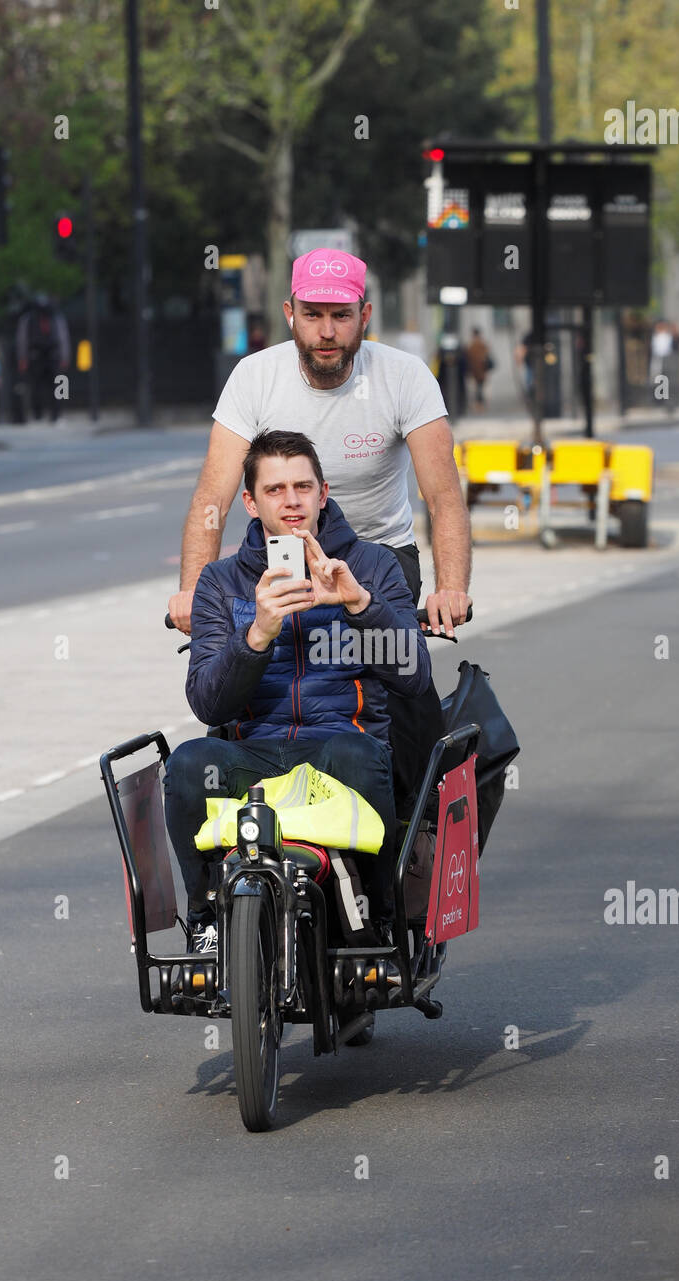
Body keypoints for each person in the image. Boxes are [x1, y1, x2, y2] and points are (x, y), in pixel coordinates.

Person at [163, 428, 430, 954]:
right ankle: (206, 919)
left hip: (340, 748)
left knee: (358, 754)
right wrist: (257, 633)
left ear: (323, 493)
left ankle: (376, 918)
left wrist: (360, 606)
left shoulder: (374, 565)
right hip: (254, 753)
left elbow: (414, 677)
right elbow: (208, 703)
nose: (291, 501)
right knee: (190, 763)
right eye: (275, 489)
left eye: (303, 487)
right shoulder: (221, 582)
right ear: (250, 501)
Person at [168, 247, 470, 639]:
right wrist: (193, 592)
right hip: (281, 555)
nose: (326, 333)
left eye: (341, 315)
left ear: (364, 316)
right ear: (290, 314)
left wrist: (450, 588)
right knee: (265, 674)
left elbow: (443, 497)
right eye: (312, 314)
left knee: (393, 677)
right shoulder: (253, 377)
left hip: (378, 556)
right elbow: (213, 497)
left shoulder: (405, 377)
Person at [15, 293, 70, 421]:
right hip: (39, 355)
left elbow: (63, 338)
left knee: (57, 384)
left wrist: (64, 357)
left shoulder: (54, 317)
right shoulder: (30, 319)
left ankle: (54, 412)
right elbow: (63, 338)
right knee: (39, 386)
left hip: (49, 355)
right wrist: (22, 358)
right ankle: (45, 413)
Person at [464, 327, 493, 410]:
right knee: (480, 388)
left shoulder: (471, 345)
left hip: (475, 370)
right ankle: (480, 404)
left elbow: (468, 358)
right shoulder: (483, 344)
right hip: (481, 370)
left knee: (477, 388)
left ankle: (479, 404)